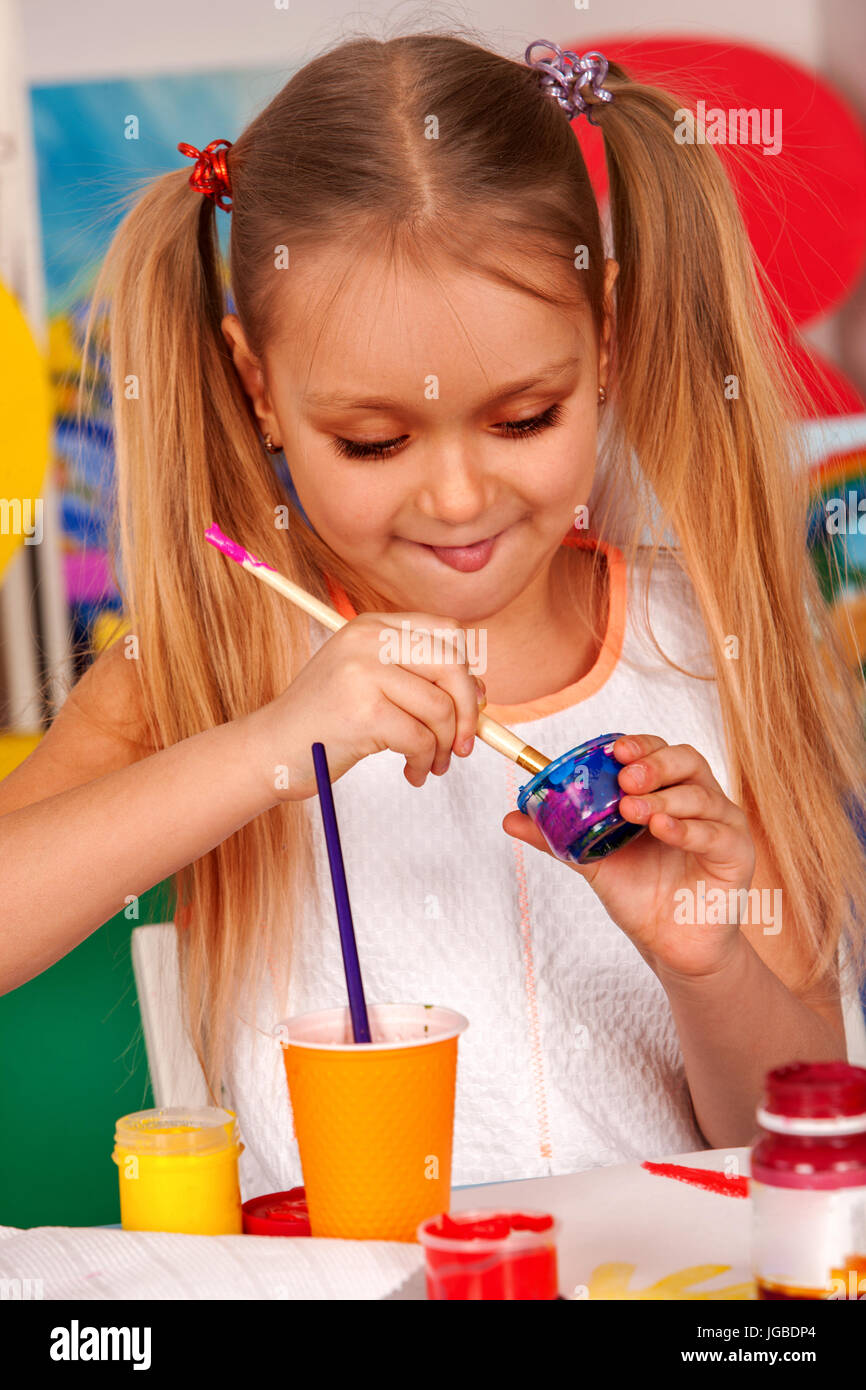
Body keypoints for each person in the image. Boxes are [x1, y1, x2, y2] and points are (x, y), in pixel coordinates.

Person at [3, 33, 865, 1196]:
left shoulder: (708, 639)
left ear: (600, 339)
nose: (458, 496)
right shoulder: (215, 656)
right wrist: (266, 747)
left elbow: (796, 1136)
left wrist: (707, 962)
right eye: (374, 441)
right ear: (258, 385)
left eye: (522, 418)